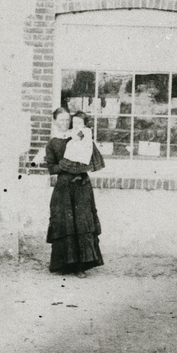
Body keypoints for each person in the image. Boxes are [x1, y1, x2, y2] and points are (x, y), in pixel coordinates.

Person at [42, 108, 105, 276]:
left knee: (81, 223)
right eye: (61, 120)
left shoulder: (80, 136)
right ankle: (64, 264)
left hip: (81, 184)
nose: (65, 123)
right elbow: (51, 168)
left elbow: (91, 159)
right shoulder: (52, 143)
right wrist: (65, 164)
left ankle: (80, 266)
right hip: (64, 187)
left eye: (67, 120)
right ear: (55, 122)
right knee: (65, 223)